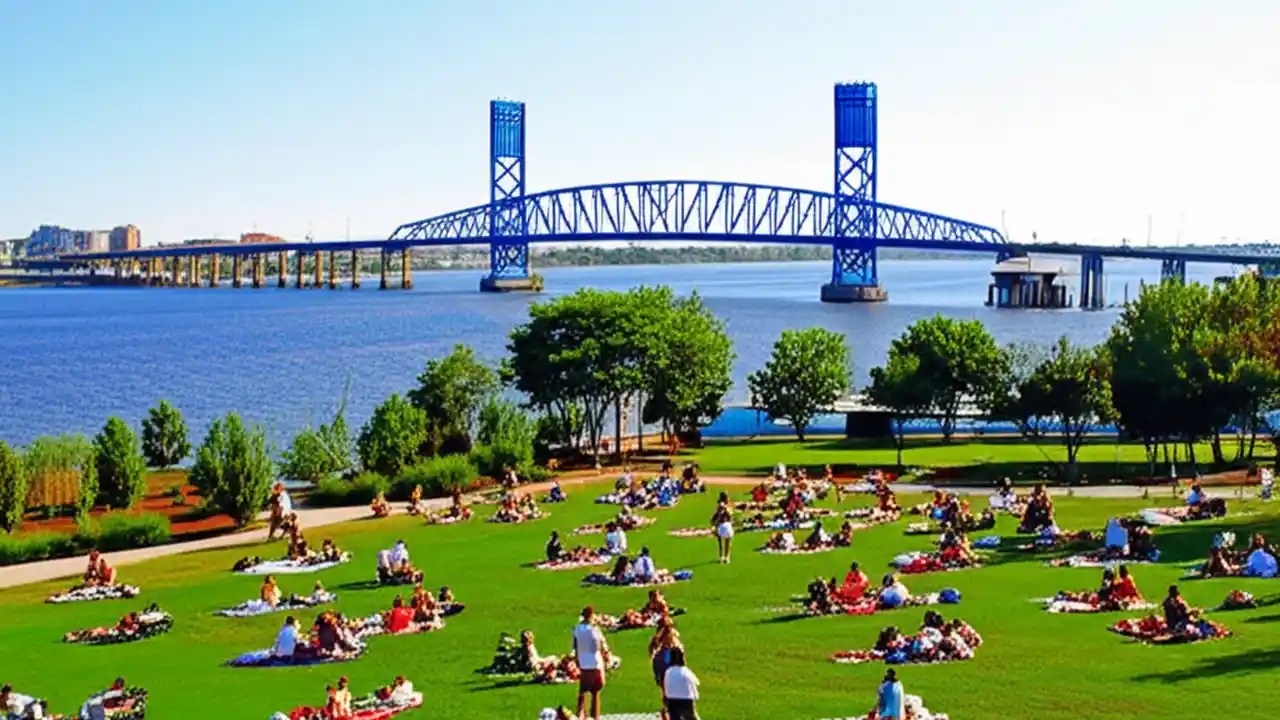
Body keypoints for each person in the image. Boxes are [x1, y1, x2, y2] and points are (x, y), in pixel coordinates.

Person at [574, 607, 610, 720]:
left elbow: (575, 646)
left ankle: (580, 715)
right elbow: (601, 646)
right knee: (595, 692)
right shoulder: (594, 630)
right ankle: (595, 717)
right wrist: (607, 657)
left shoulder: (577, 629)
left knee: (582, 691)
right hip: (595, 662)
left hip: (583, 662)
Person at [662, 647, 700, 720]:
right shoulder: (685, 671)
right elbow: (696, 682)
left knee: (674, 717)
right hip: (686, 698)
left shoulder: (668, 672)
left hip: (671, 698)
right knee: (691, 716)